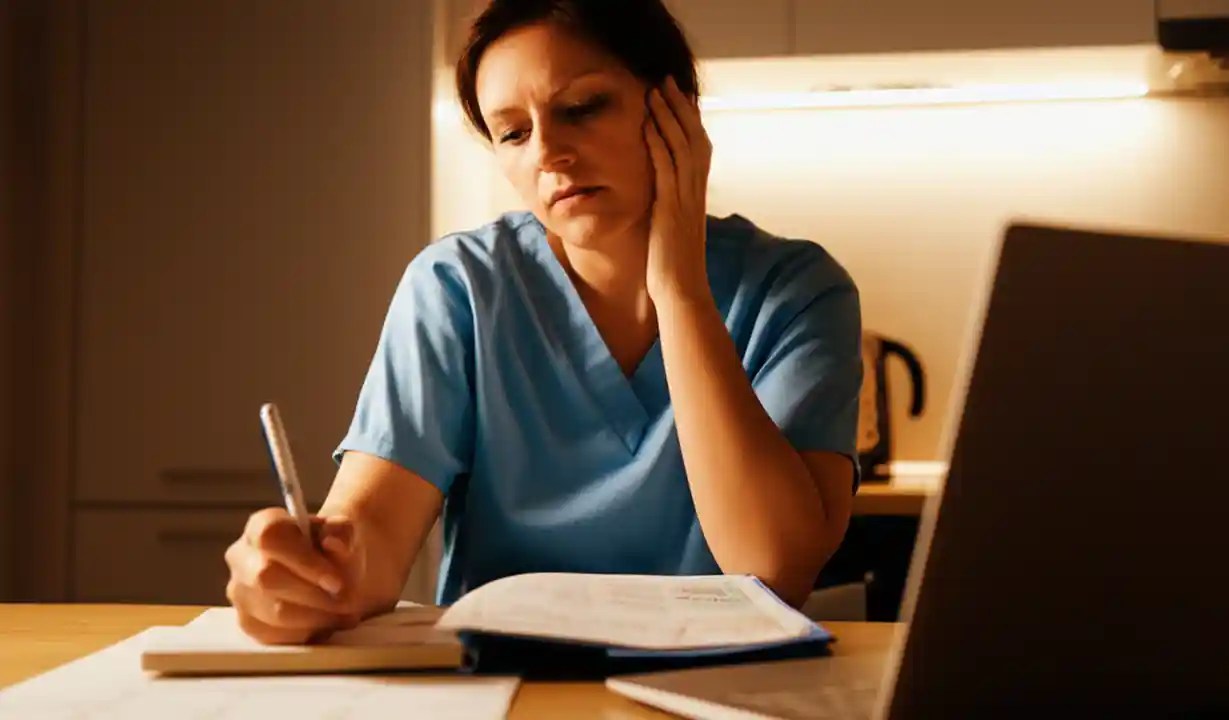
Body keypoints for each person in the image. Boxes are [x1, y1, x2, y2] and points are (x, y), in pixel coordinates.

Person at [224, 0, 863, 644]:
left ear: (677, 109)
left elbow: (774, 569)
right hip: (503, 681)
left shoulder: (796, 290)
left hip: (718, 682)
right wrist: (307, 579)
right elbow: (373, 536)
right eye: (513, 132)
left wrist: (679, 291)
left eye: (581, 108)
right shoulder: (459, 287)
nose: (549, 153)